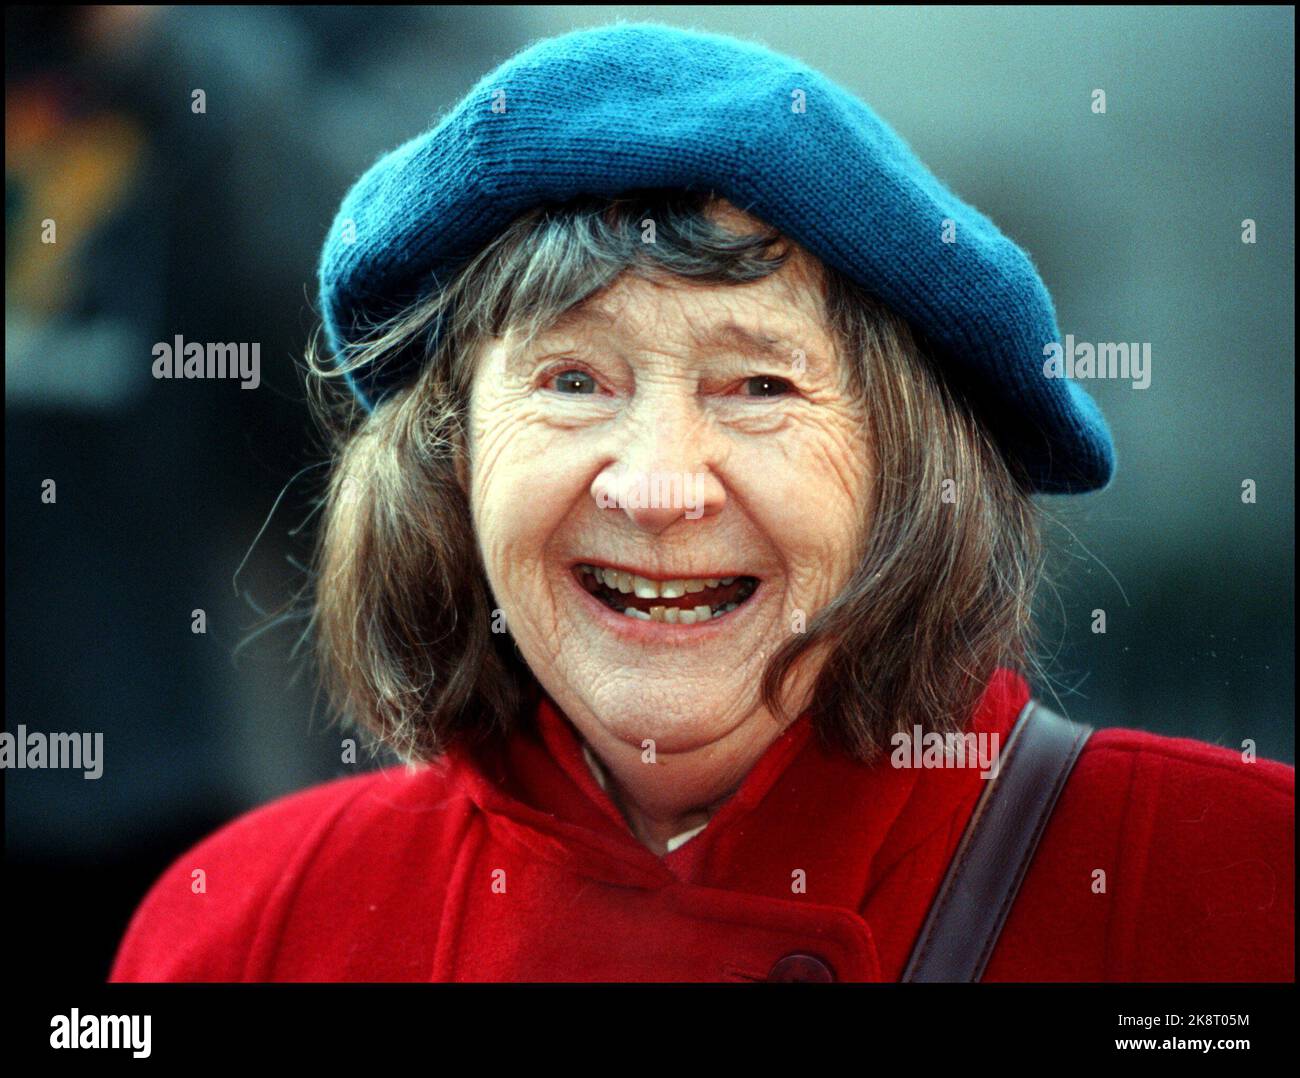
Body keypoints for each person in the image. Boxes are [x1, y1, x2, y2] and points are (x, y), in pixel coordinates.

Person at [110, 22, 1293, 983]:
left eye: (757, 385)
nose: (659, 488)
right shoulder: (242, 934)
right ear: (448, 465)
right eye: (573, 382)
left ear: (911, 476)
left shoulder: (1236, 883)